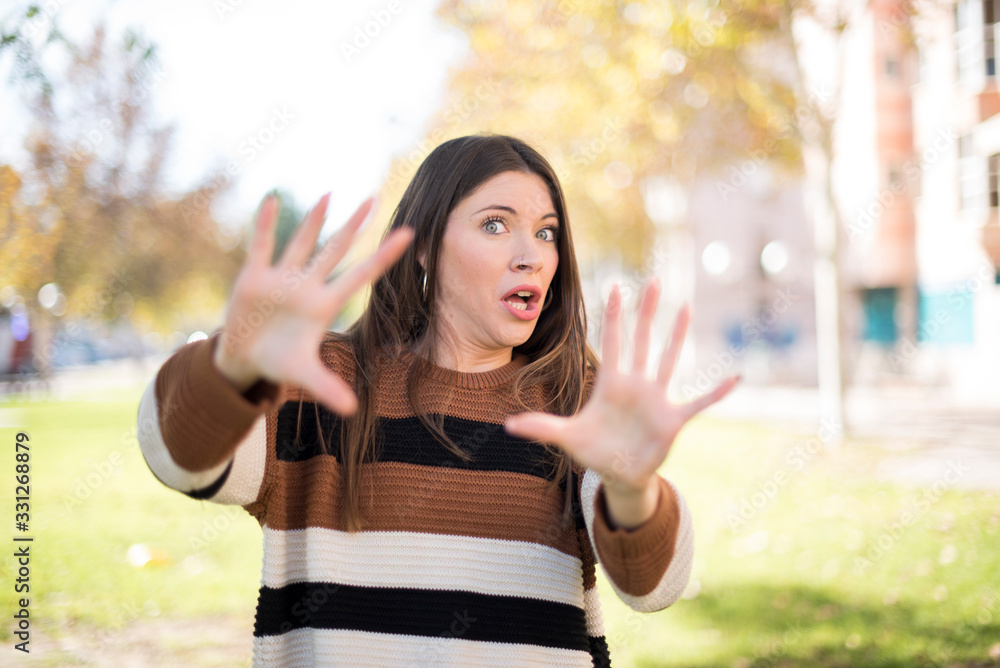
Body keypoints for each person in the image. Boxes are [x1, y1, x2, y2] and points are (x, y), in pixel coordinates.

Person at [136, 134, 739, 667]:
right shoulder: (317, 381)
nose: (532, 254)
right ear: (424, 248)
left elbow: (653, 587)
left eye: (546, 231)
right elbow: (175, 457)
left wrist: (634, 484)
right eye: (495, 224)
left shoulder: (573, 403)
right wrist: (231, 366)